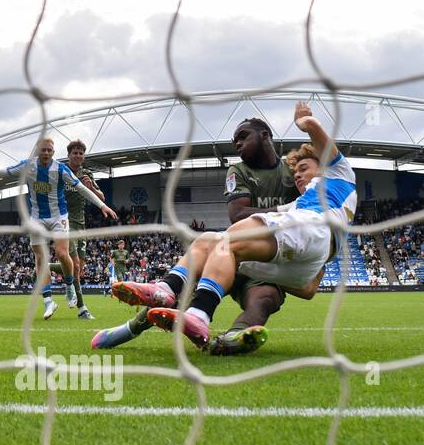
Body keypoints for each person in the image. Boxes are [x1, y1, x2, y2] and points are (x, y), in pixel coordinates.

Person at [110, 103, 347, 352]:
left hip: (272, 262)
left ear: (265, 135)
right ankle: (130, 328)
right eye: (235, 141)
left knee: (264, 298)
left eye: (243, 137)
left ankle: (233, 338)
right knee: (187, 286)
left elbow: (314, 240)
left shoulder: (297, 176)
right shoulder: (239, 170)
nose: (237, 144)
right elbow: (237, 214)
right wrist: (286, 209)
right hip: (237, 250)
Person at [0, 136, 116, 320]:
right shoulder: (28, 166)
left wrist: (102, 206)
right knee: (40, 258)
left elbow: (82, 189)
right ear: (38, 151)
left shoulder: (60, 169)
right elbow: (3, 172)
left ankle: (69, 286)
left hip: (59, 217)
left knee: (62, 254)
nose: (46, 153)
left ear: (53, 152)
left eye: (49, 150)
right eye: (43, 150)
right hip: (37, 219)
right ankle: (48, 302)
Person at [51, 139, 105, 320]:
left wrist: (91, 188)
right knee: (74, 267)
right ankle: (82, 308)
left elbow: (101, 197)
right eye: (75, 152)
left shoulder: (87, 174)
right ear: (69, 155)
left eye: (81, 153)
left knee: (79, 269)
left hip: (81, 223)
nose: (78, 155)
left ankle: (46, 268)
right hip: (64, 222)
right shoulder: (60, 172)